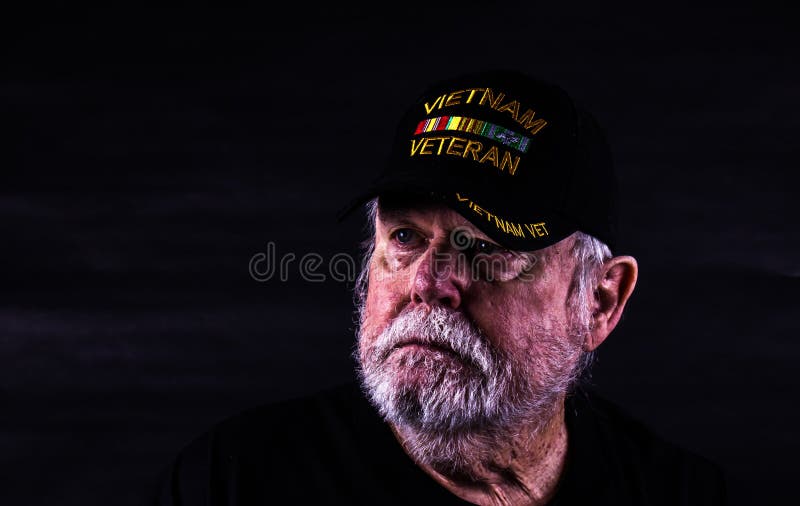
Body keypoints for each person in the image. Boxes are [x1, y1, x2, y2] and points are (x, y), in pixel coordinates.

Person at [154, 69, 728, 505]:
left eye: (488, 247)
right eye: (404, 237)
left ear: (599, 301)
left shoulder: (685, 494)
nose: (429, 283)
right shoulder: (232, 482)